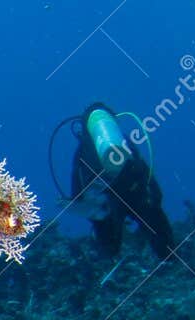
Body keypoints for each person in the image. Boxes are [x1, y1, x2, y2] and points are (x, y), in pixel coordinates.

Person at [66, 102, 176, 260]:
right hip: (136, 194)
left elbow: (77, 193)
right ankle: (169, 261)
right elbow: (145, 171)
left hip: (108, 201)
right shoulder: (123, 141)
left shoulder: (83, 151)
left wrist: (95, 216)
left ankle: (108, 265)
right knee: (164, 244)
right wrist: (155, 200)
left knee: (109, 250)